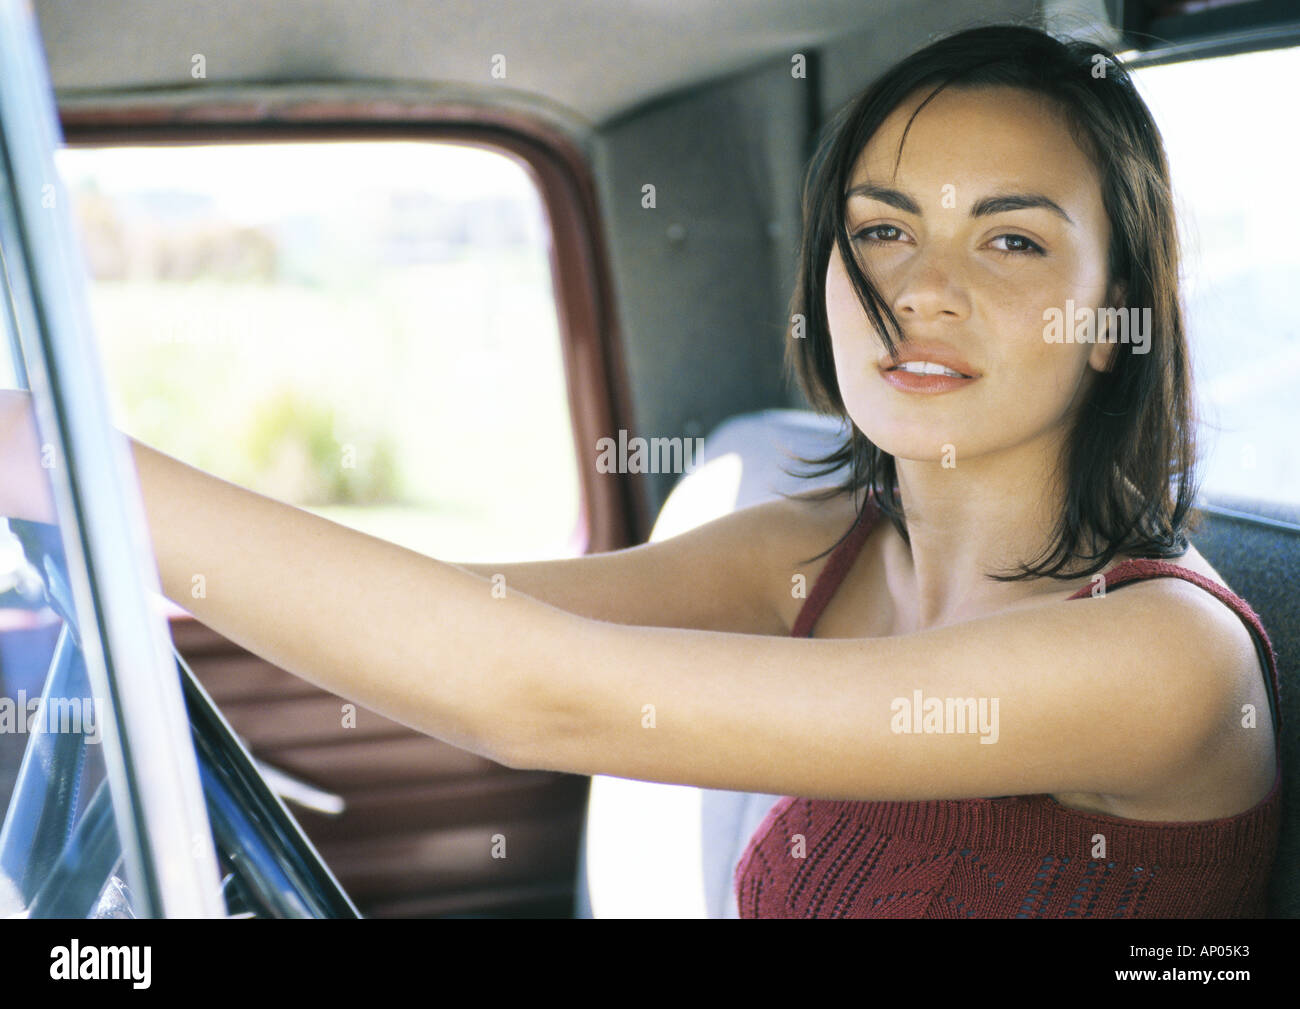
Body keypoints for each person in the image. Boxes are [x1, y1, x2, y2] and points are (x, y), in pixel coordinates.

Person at [0, 23, 1280, 918]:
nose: (923, 288)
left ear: (1120, 316)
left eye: (1010, 239)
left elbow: (533, 697)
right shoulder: (815, 549)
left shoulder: (1160, 659)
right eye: (881, 228)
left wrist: (57, 459)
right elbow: (474, 613)